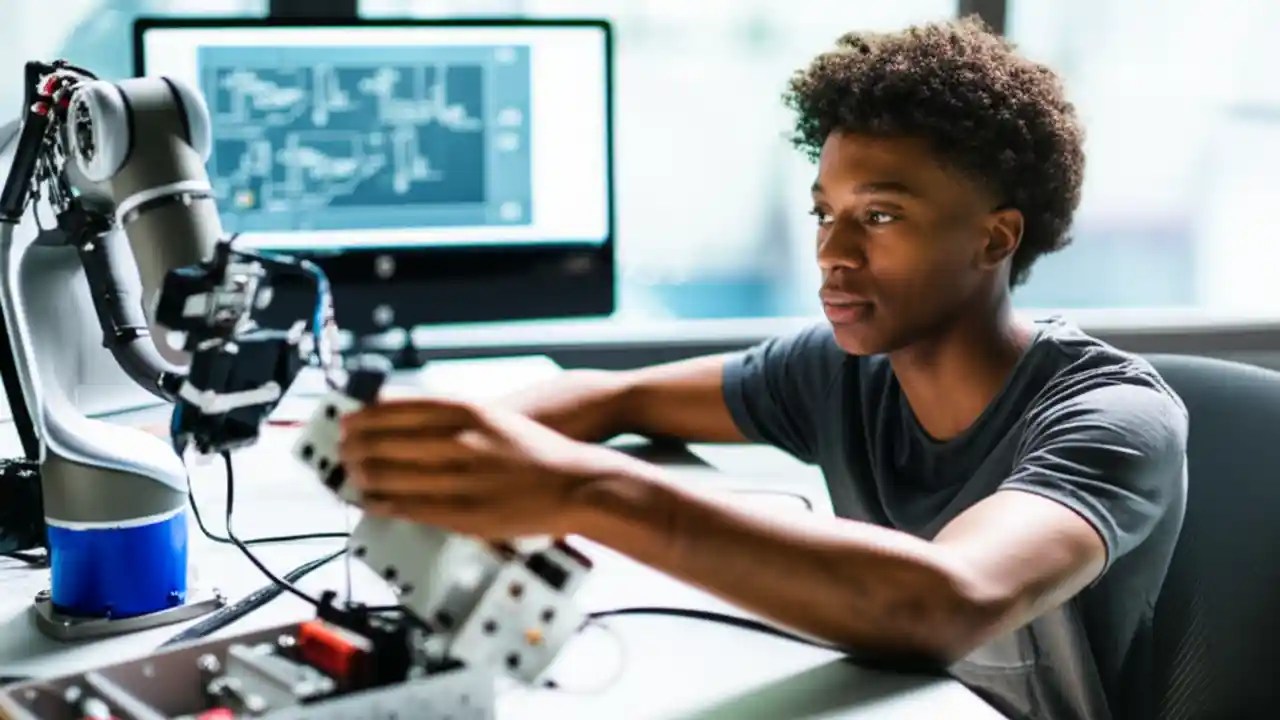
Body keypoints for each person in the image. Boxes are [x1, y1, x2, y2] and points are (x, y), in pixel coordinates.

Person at [338, 16, 1187, 720]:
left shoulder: (1111, 418)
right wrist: (427, 450)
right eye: (824, 212)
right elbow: (615, 396)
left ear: (995, 238)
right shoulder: (842, 369)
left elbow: (947, 600)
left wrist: (578, 491)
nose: (832, 252)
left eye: (880, 215)